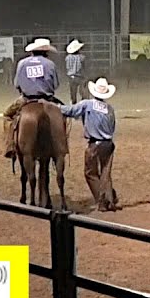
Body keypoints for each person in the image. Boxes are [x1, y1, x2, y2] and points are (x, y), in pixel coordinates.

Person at [61, 78, 119, 211]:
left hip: (95, 143)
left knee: (90, 173)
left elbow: (70, 111)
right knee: (105, 173)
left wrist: (55, 107)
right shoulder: (109, 109)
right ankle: (109, 200)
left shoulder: (87, 104)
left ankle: (102, 200)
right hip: (108, 143)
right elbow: (112, 127)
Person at [3, 38, 61, 159]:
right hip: (47, 99)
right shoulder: (50, 64)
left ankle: (10, 145)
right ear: (46, 52)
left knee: (7, 115)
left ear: (32, 51)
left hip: (27, 98)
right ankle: (61, 145)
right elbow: (55, 84)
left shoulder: (22, 63)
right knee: (62, 116)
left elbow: (17, 83)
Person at [65, 39, 86, 104]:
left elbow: (67, 67)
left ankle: (73, 104)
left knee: (73, 93)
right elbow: (84, 67)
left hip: (71, 77)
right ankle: (83, 104)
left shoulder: (67, 57)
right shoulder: (82, 57)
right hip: (80, 77)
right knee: (83, 92)